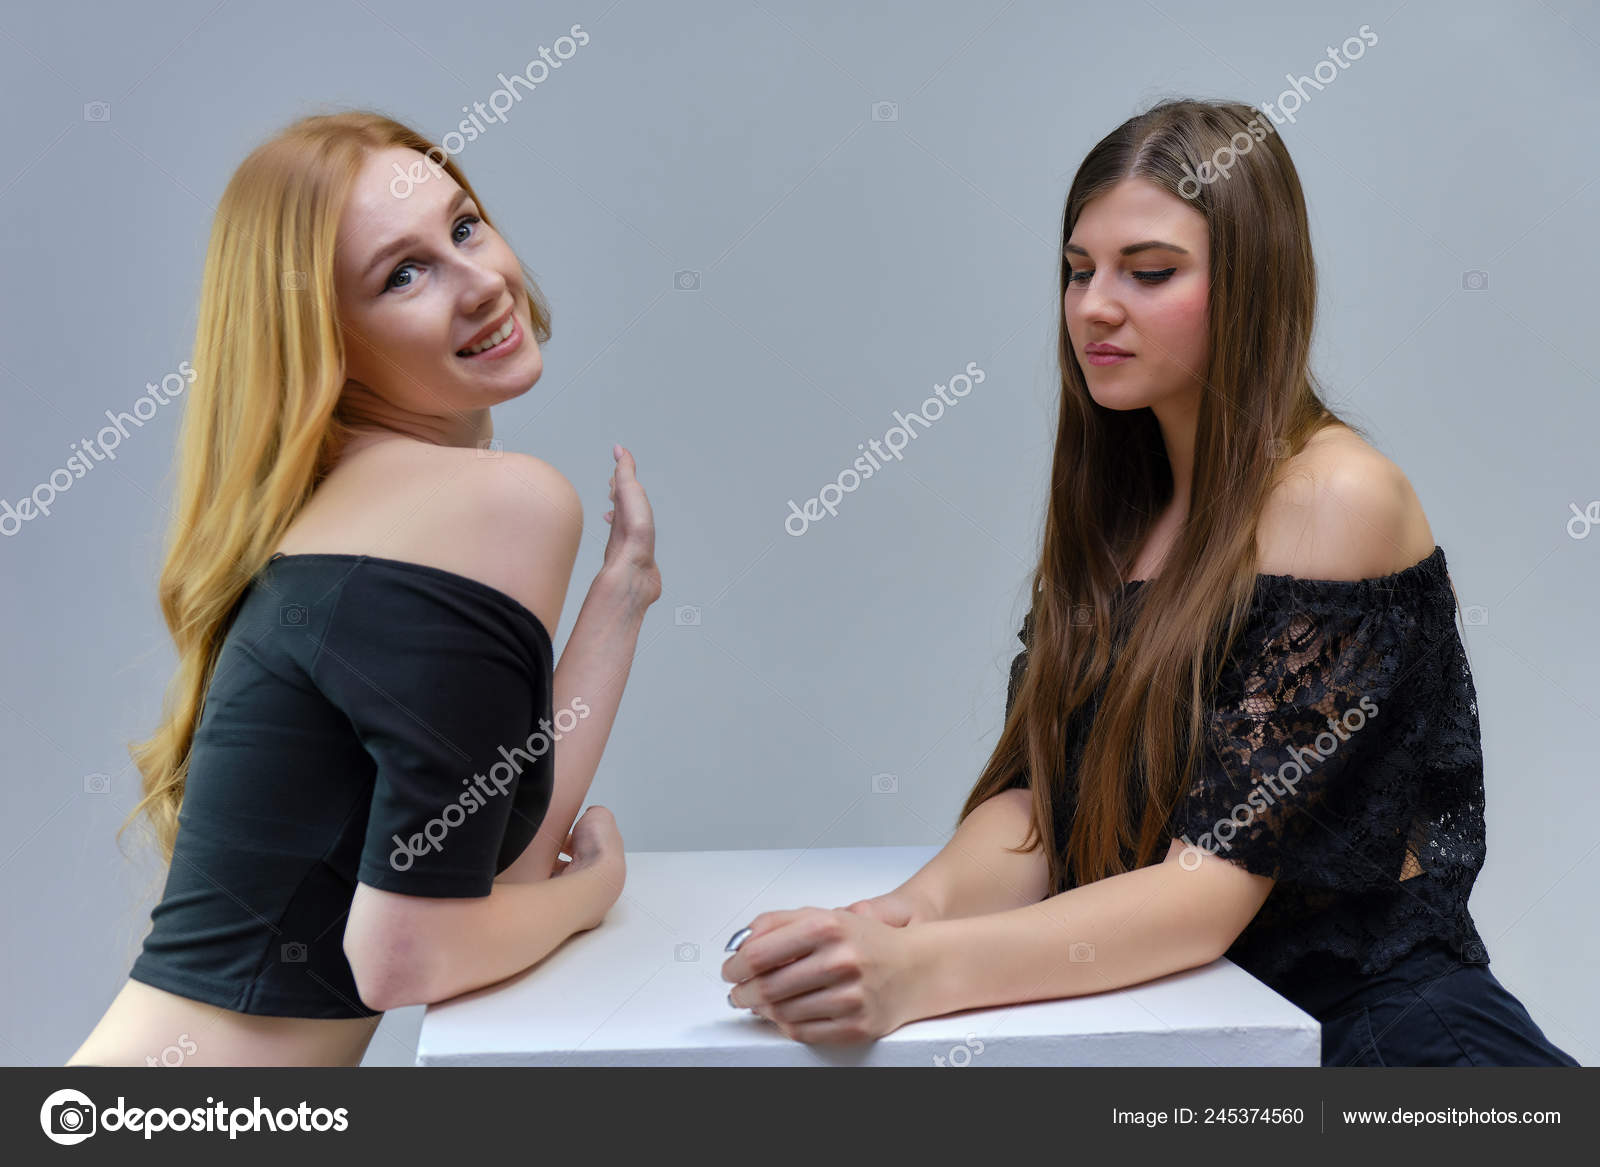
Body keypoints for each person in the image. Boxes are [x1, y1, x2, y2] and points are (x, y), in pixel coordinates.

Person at [719, 98, 1580, 1068]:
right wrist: (899, 915)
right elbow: (1043, 799)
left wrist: (915, 975)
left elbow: (1206, 890)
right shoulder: (1127, 504)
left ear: (1254, 285)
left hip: (1380, 1040)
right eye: (1077, 271)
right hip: (1197, 1036)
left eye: (1150, 272)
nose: (1092, 306)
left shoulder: (1335, 496)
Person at [67, 111, 662, 1066]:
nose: (480, 284)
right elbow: (406, 954)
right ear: (327, 342)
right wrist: (591, 891)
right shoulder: (492, 504)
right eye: (403, 275)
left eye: (464, 227)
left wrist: (623, 593)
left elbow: (479, 855)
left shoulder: (337, 512)